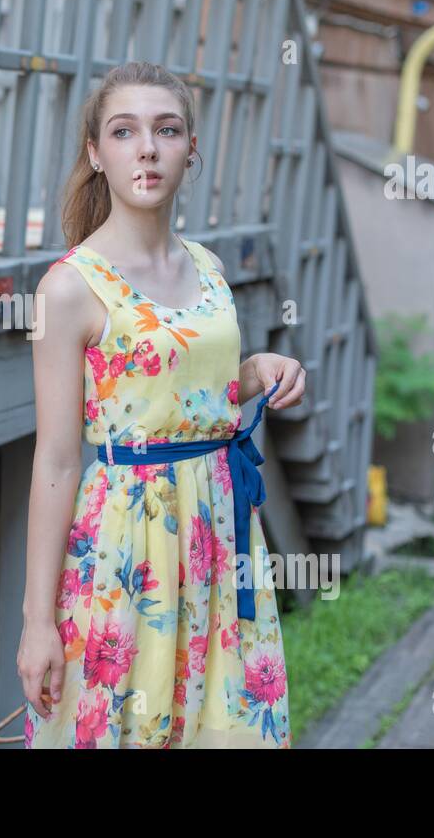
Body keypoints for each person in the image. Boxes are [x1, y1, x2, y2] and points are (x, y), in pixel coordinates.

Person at [18, 61, 305, 748]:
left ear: (190, 148)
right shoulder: (66, 288)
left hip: (220, 529)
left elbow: (187, 392)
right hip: (128, 541)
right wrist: (37, 620)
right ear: (96, 152)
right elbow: (56, 459)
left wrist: (256, 370)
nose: (147, 147)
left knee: (223, 727)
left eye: (166, 129)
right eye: (124, 131)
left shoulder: (208, 267)